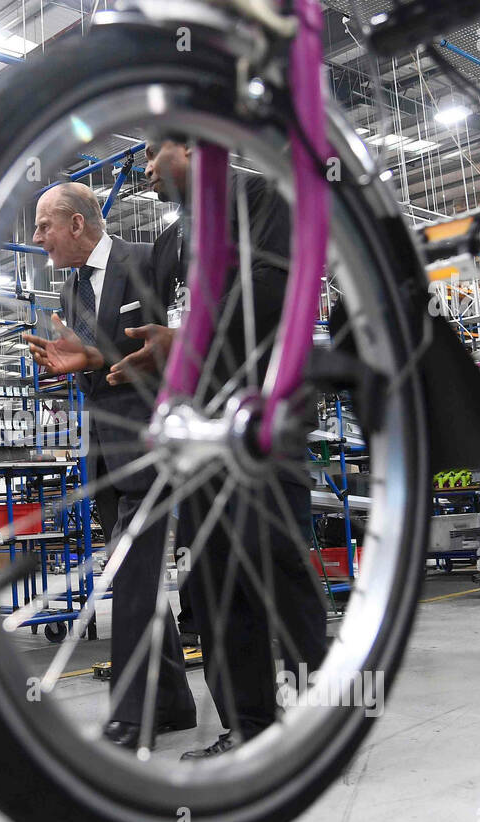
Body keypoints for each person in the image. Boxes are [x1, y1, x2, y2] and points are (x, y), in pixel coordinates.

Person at [109, 136, 327, 760]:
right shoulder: (173, 243)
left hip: (263, 419)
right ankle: (249, 725)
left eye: (154, 152)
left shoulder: (260, 196)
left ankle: (323, 718)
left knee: (280, 571)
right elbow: (158, 337)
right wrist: (102, 357)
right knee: (213, 584)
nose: (146, 168)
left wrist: (186, 335)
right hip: (200, 433)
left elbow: (275, 289)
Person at [22, 181, 196, 749]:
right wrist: (71, 365)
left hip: (154, 442)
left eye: (44, 225)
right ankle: (171, 704)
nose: (36, 237)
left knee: (133, 571)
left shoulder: (146, 261)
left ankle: (132, 712)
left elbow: (198, 332)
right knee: (132, 575)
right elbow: (97, 366)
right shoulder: (71, 292)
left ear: (76, 224)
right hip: (103, 450)